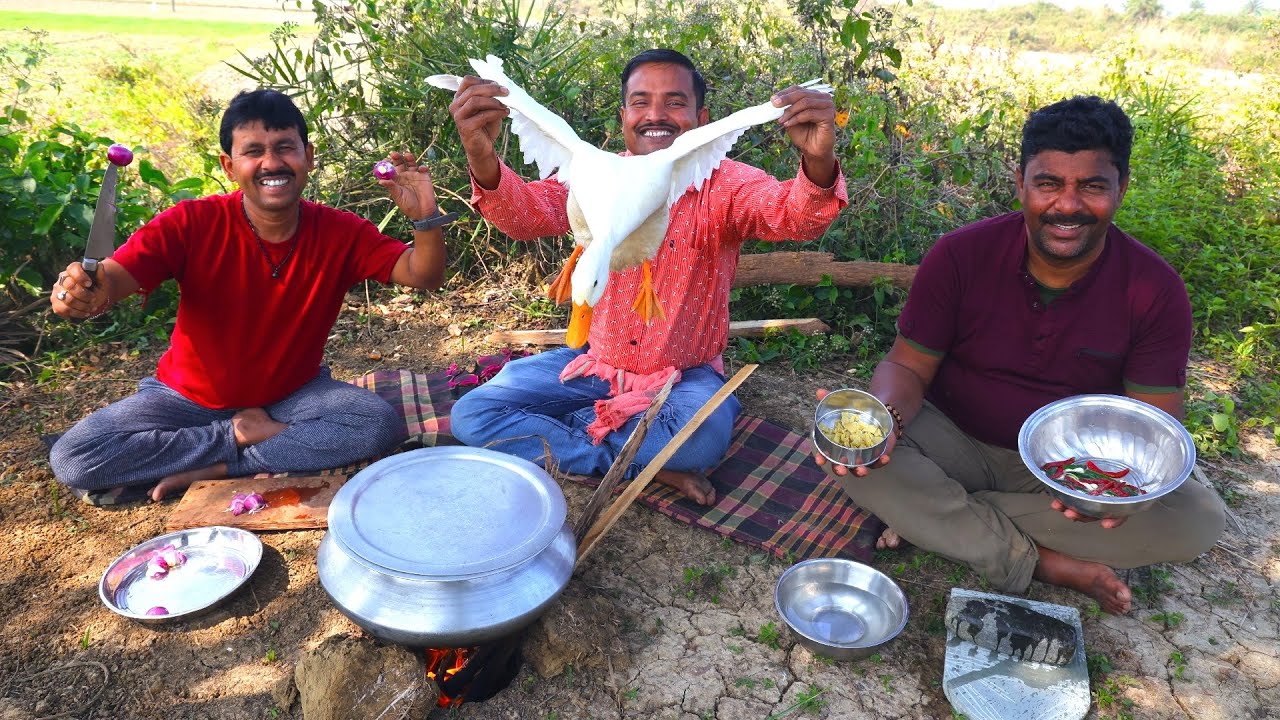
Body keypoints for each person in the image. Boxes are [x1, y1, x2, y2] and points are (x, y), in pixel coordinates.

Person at [816, 96, 1226, 614]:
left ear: (1122, 187)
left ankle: (943, 519)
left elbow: (1154, 421)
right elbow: (906, 366)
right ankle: (1042, 561)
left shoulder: (1154, 290)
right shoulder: (960, 256)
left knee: (1197, 519)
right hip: (951, 438)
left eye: (1093, 186)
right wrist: (887, 417)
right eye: (1049, 183)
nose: (1068, 206)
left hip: (1068, 471)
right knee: (853, 452)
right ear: (1021, 183)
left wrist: (1121, 496)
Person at [446, 49, 848, 504]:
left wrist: (819, 160)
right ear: (623, 117)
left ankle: (594, 440)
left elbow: (794, 217)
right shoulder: (594, 174)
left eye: (675, 102)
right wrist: (480, 154)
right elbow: (524, 215)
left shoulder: (725, 183)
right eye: (641, 101)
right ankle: (641, 461)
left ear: (702, 116)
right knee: (472, 415)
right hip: (592, 366)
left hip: (683, 379)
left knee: (700, 438)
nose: (656, 115)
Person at [48, 89, 451, 504]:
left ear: (308, 156)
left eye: (284, 148)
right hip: (183, 399)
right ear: (229, 165)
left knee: (375, 424)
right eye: (253, 151)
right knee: (76, 458)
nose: (271, 163)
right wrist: (80, 290)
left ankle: (213, 466)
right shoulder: (191, 223)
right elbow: (112, 280)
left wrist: (425, 217)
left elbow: (424, 274)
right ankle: (239, 438)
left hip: (295, 396)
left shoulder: (340, 231)